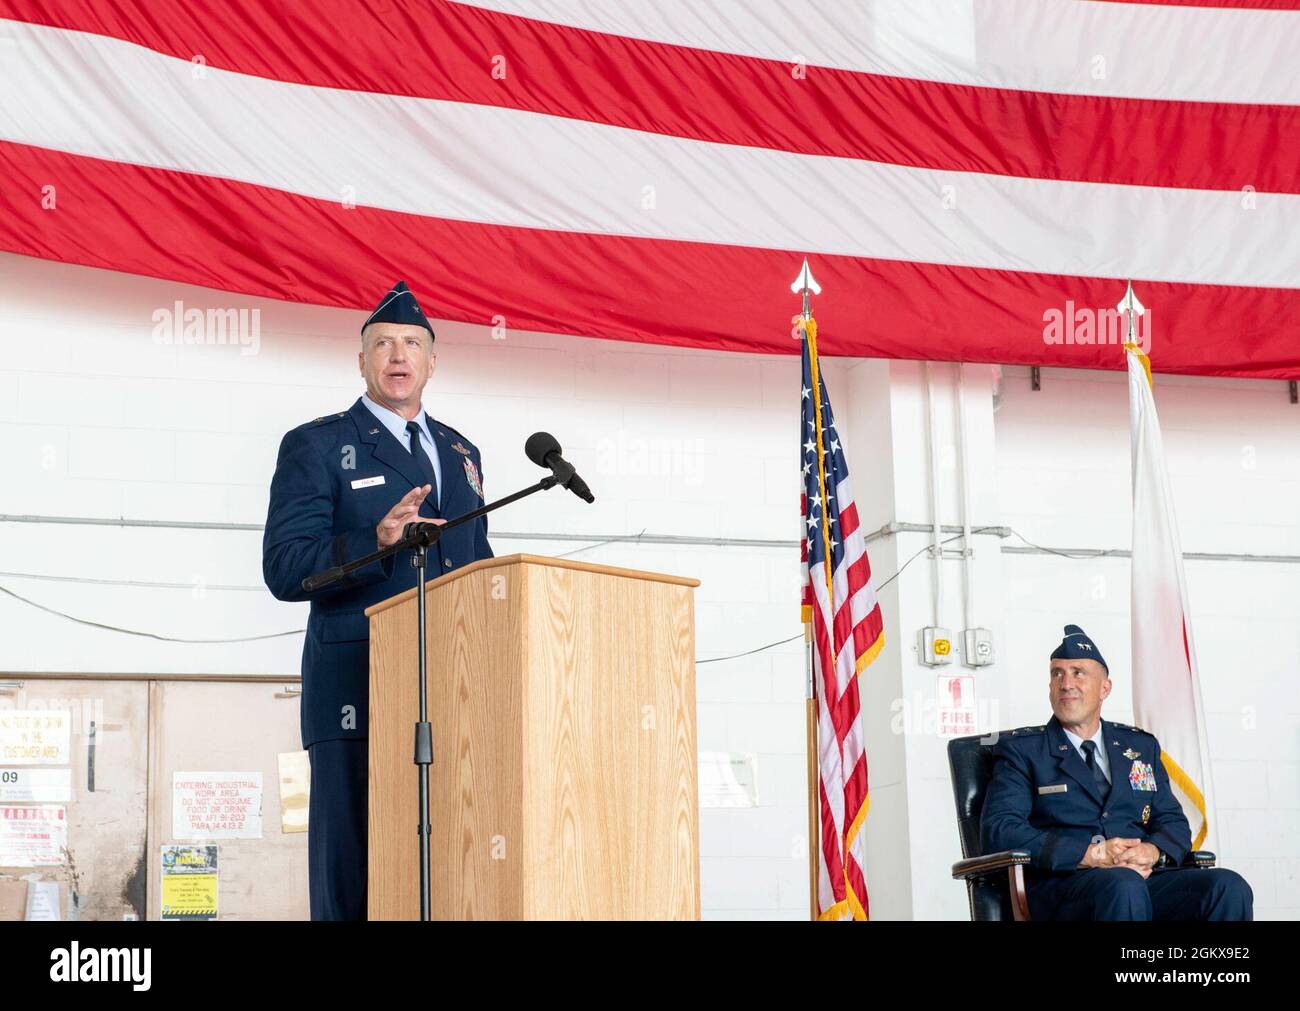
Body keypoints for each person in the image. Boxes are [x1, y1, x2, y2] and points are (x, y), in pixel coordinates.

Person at [262, 280, 492, 920]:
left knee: (452, 865)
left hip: (452, 690)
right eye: (384, 344)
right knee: (354, 878)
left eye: (413, 343)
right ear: (361, 361)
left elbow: (476, 560)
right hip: (355, 691)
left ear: (432, 362)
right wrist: (377, 541)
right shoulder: (316, 445)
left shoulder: (461, 453)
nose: (399, 354)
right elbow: (284, 569)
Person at [980, 624, 1252, 921]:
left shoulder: (1140, 747)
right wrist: (1087, 854)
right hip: (1065, 887)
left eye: (1078, 672)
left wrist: (1152, 851)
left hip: (1137, 880)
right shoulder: (1022, 751)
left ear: (1105, 688)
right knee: (1124, 885)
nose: (1066, 683)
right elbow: (999, 829)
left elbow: (1172, 821)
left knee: (1227, 886)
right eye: (1057, 673)